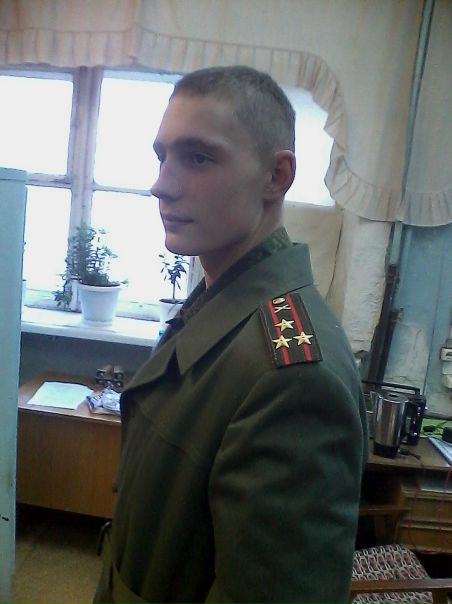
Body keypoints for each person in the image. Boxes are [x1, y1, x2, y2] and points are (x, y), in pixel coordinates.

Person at [94, 65, 368, 604]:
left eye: (198, 157)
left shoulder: (294, 380)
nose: (161, 184)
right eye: (162, 156)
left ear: (276, 176)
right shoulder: (219, 303)